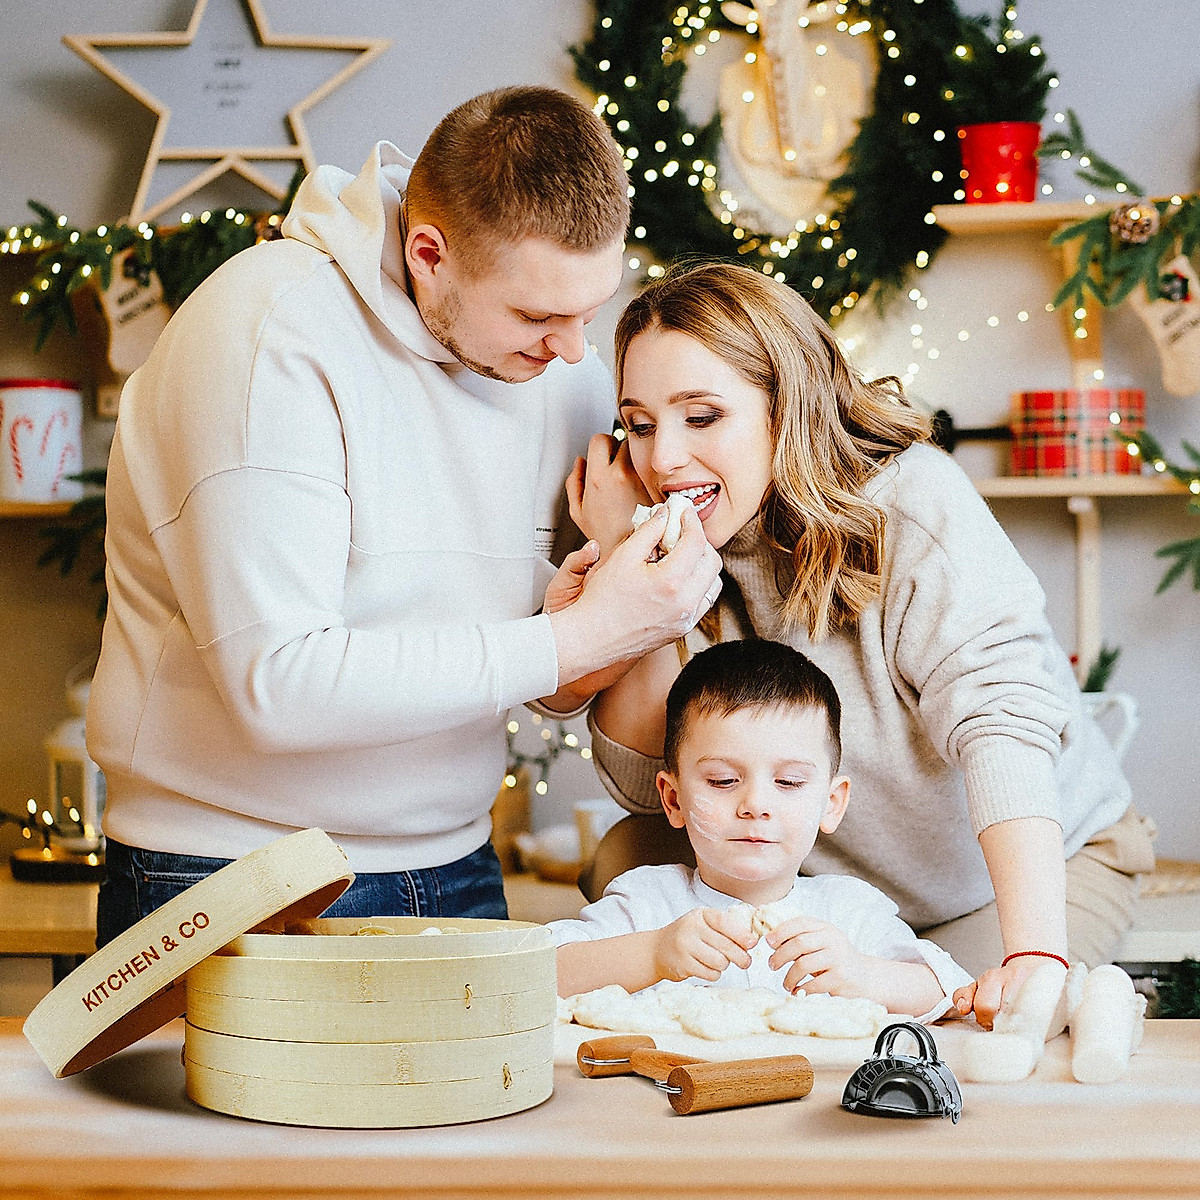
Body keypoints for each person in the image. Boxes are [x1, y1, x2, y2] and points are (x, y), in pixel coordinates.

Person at [88, 86, 723, 946]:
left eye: (591, 309)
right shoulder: (267, 335)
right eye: (539, 314)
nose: (576, 351)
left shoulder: (552, 362)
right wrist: (570, 640)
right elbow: (276, 689)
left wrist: (583, 639)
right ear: (429, 253)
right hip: (229, 872)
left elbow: (527, 668)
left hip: (457, 868)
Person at [568, 260, 1156, 1029]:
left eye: (702, 417)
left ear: (789, 408)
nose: (663, 459)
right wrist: (631, 573)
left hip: (1017, 869)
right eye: (640, 425)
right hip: (834, 881)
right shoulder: (678, 539)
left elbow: (1002, 724)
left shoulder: (913, 506)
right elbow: (650, 791)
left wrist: (1034, 955)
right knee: (627, 858)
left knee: (961, 1029)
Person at [552, 639, 973, 1020]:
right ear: (674, 799)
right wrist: (651, 954)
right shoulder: (646, 904)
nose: (755, 806)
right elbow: (530, 972)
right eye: (722, 781)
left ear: (831, 803)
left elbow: (953, 992)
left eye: (788, 783)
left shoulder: (851, 912)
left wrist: (863, 975)